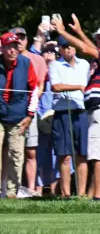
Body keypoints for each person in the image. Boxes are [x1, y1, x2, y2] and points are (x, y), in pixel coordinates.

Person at [54, 15, 100, 200]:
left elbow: (86, 49)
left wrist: (62, 32)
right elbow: (91, 48)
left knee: (98, 156)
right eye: (98, 38)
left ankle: (98, 197)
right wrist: (78, 31)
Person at [49, 35, 90, 197]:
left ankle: (81, 195)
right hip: (62, 113)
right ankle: (66, 195)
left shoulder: (84, 64)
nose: (69, 49)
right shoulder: (55, 65)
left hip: (81, 112)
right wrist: (78, 87)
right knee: (64, 156)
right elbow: (56, 86)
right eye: (65, 46)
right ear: (59, 49)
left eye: (71, 45)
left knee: (82, 155)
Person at [0, 32, 38, 198]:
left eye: (15, 46)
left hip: (19, 117)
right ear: (2, 48)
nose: (12, 50)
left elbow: (34, 90)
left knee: (16, 155)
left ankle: (11, 193)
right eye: (9, 47)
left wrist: (30, 115)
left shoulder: (26, 63)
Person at [11, 27, 47, 191]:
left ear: (27, 40)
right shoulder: (5, 59)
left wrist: (29, 106)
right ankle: (9, 187)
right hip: (9, 111)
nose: (19, 41)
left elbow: (39, 86)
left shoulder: (37, 59)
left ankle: (31, 189)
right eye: (15, 38)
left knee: (31, 152)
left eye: (22, 38)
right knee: (8, 150)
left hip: (29, 110)